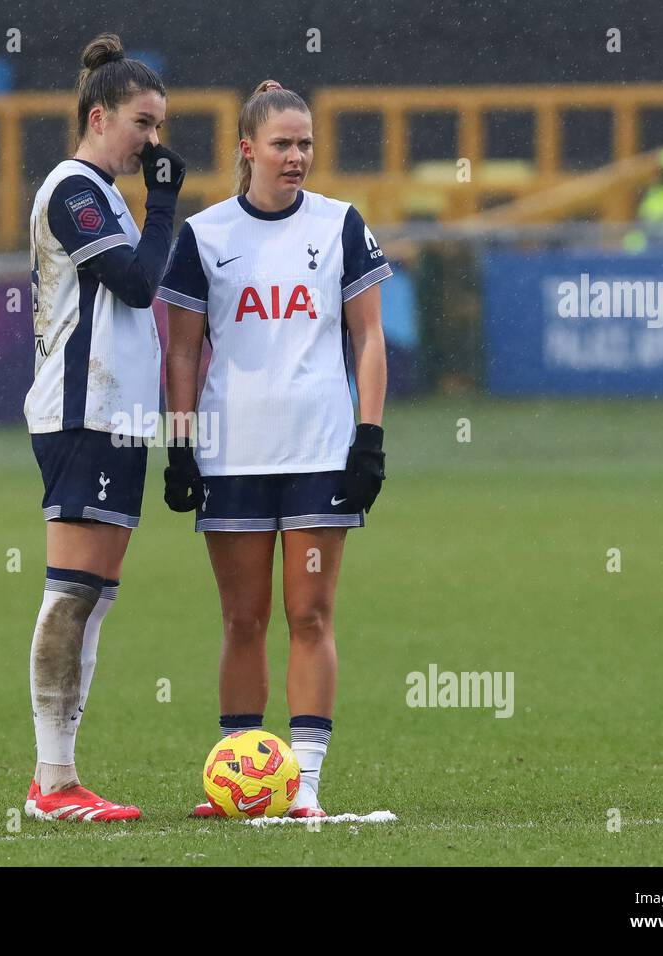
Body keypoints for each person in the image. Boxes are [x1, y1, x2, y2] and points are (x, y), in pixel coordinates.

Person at [157, 80, 389, 819]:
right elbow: (182, 353)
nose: (297, 157)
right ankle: (240, 782)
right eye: (283, 144)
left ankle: (305, 787)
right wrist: (182, 446)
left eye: (306, 144)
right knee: (242, 619)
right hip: (233, 459)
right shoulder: (206, 235)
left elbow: (368, 337)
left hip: (320, 451)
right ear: (247, 149)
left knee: (311, 615)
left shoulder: (342, 224)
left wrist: (371, 439)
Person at [23, 33, 185, 822]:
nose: (152, 141)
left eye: (158, 126)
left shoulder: (107, 195)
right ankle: (52, 782)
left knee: (94, 596)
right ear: (99, 116)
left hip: (117, 415)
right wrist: (164, 210)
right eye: (142, 123)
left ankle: (63, 777)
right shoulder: (74, 187)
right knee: (71, 590)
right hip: (80, 411)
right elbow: (132, 281)